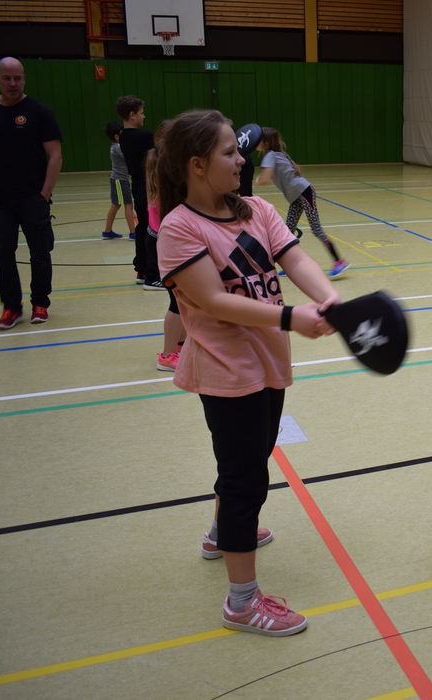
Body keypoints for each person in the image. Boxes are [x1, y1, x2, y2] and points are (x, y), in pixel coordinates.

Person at [156, 109, 341, 636]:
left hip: (266, 363)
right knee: (245, 480)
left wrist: (332, 302)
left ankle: (221, 533)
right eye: (229, 153)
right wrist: (291, 317)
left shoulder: (257, 210)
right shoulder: (179, 228)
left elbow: (296, 260)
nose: (242, 160)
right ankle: (242, 603)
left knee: (250, 457)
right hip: (225, 370)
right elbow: (213, 301)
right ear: (196, 165)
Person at [0, 57, 62, 330]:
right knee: (2, 253)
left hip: (33, 196)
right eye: (7, 78)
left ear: (24, 79)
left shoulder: (38, 112)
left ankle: (40, 302)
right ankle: (11, 307)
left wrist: (44, 194)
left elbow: (55, 155)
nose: (13, 83)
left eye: (18, 78)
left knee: (40, 251)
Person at [255, 127, 350, 277]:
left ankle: (340, 262)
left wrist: (258, 180)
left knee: (316, 229)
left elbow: (265, 179)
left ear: (265, 143)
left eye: (258, 140)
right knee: (287, 231)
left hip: (304, 192)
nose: (255, 142)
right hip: (296, 197)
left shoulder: (270, 156)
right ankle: (290, 265)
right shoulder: (279, 154)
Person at [143, 132, 186, 371]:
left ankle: (180, 345)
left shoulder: (157, 179)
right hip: (165, 243)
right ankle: (168, 356)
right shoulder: (168, 187)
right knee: (177, 301)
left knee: (183, 300)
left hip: (160, 240)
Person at [116, 95, 162, 290]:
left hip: (137, 184)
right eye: (141, 113)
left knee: (143, 227)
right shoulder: (143, 137)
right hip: (148, 185)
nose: (144, 117)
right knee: (153, 229)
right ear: (132, 114)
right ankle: (153, 275)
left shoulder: (123, 136)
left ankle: (141, 270)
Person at [102, 122, 133, 240]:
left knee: (116, 205)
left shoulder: (117, 147)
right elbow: (129, 156)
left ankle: (107, 231)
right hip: (120, 180)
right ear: (116, 136)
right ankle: (133, 232)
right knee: (128, 205)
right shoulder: (118, 148)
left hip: (120, 179)